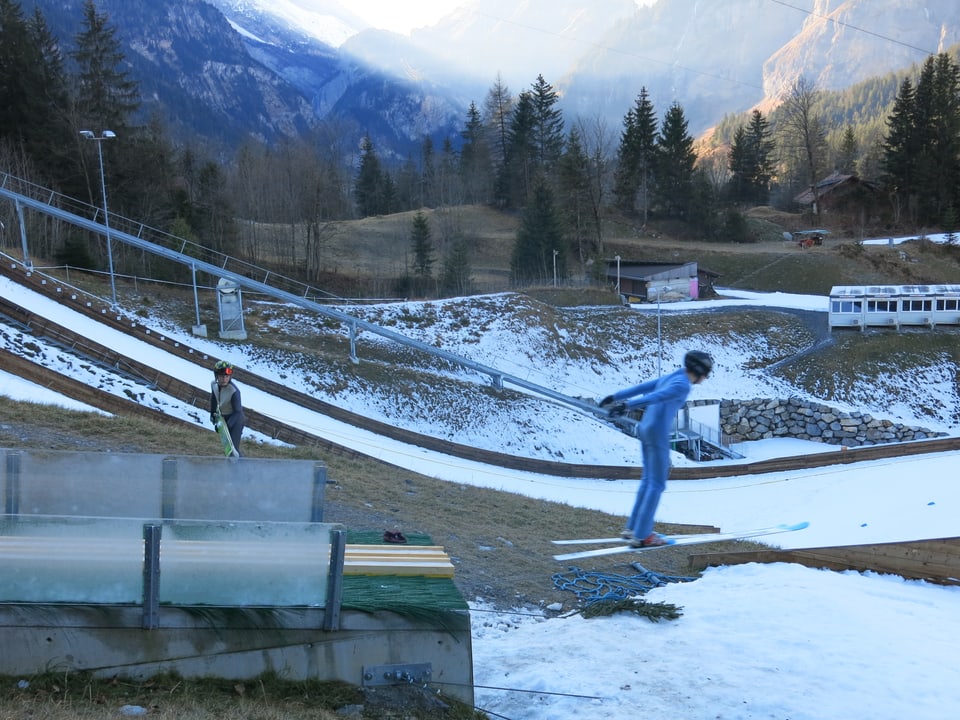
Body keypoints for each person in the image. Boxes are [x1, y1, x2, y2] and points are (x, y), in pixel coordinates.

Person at [599, 350, 713, 547]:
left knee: (647, 480)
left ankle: (632, 529)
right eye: (707, 373)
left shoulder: (676, 375)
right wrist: (627, 406)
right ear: (700, 371)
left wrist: (616, 397)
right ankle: (643, 535)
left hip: (645, 428)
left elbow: (647, 387)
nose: (706, 378)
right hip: (657, 433)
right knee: (657, 484)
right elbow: (658, 396)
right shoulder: (682, 385)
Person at [209, 360, 245, 456]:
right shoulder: (214, 386)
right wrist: (212, 414)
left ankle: (242, 468)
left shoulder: (234, 391)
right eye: (221, 376)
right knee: (228, 449)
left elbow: (238, 411)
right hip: (224, 417)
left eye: (226, 376)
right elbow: (213, 399)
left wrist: (226, 426)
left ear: (230, 377)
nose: (224, 379)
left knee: (233, 450)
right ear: (216, 376)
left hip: (236, 420)